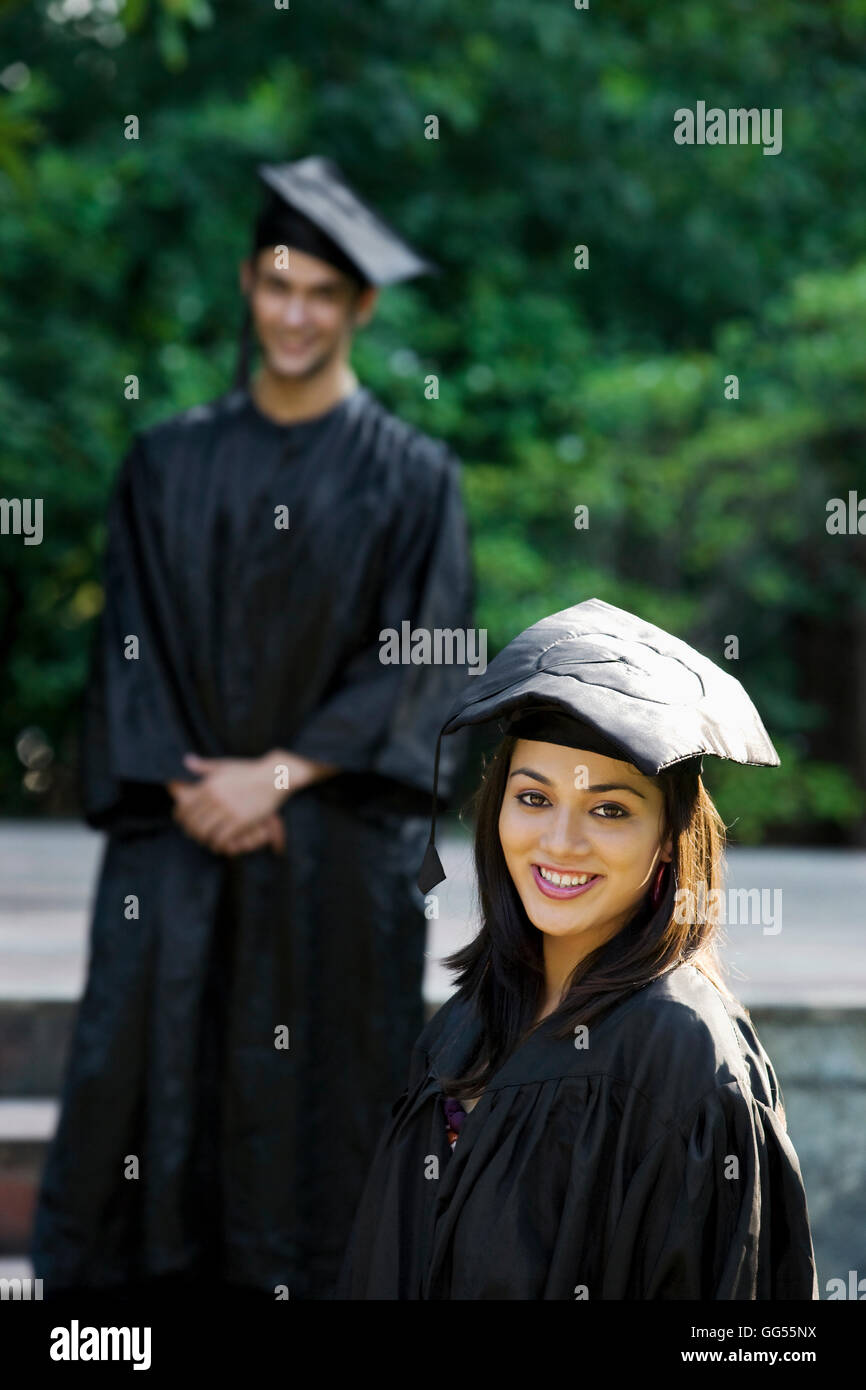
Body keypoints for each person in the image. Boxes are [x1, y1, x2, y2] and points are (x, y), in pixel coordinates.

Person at [32, 155, 474, 1301]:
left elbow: (423, 653)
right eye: (278, 285)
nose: (295, 313)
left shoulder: (414, 479)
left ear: (359, 307)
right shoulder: (165, 463)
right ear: (246, 284)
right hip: (178, 850)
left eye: (322, 293)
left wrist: (272, 777)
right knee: (150, 1094)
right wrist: (203, 790)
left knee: (323, 1113)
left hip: (329, 855)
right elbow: (126, 645)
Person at [338, 597, 819, 1300]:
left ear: (667, 841)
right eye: (533, 798)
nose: (561, 842)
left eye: (610, 810)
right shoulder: (466, 1025)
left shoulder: (682, 1052)